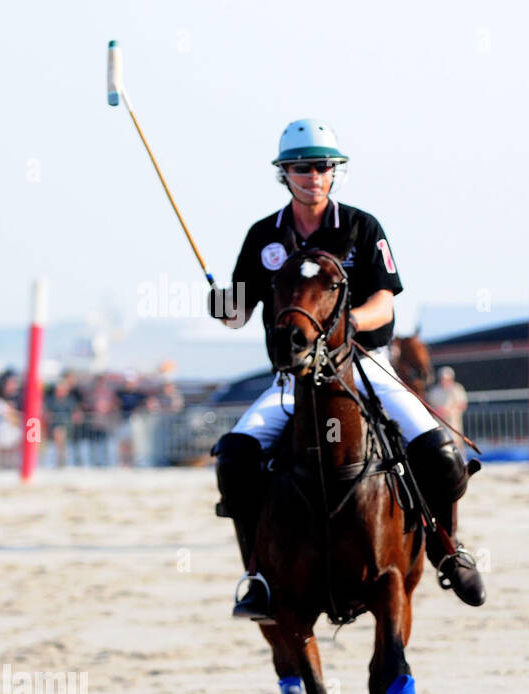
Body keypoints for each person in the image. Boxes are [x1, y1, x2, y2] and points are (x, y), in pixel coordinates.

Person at [207, 119, 485, 620]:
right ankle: (257, 575)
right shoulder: (263, 238)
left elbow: (385, 300)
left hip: (365, 364)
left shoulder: (361, 227)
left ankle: (447, 546)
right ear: (284, 174)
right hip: (292, 377)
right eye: (301, 168)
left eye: (322, 167)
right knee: (233, 458)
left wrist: (344, 326)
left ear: (334, 173)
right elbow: (236, 316)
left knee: (440, 452)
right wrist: (222, 304)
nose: (313, 176)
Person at [427, 366, 468, 436]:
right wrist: (437, 411)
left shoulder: (458, 389)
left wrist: (449, 411)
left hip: (454, 425)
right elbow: (429, 406)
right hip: (438, 425)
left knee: (456, 443)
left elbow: (463, 405)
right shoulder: (434, 391)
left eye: (447, 379)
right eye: (442, 379)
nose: (444, 381)